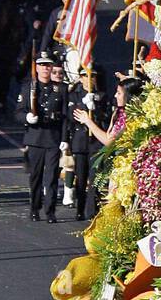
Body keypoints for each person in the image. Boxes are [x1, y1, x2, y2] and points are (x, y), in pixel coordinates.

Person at [19, 51, 67, 221]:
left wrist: (64, 139)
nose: (45, 68)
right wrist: (27, 117)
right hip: (35, 139)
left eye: (48, 65)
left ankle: (50, 211)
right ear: (36, 68)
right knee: (35, 176)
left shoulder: (60, 89)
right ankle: (34, 208)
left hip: (53, 138)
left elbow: (64, 116)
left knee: (52, 176)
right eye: (42, 65)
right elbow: (18, 113)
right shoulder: (29, 87)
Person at [62, 66, 103, 221]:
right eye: (85, 75)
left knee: (95, 179)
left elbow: (106, 117)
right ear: (80, 78)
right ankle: (80, 209)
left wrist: (96, 108)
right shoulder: (75, 96)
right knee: (81, 177)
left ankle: (93, 211)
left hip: (96, 142)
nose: (89, 78)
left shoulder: (101, 96)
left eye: (92, 75)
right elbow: (71, 117)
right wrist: (85, 105)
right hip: (80, 142)